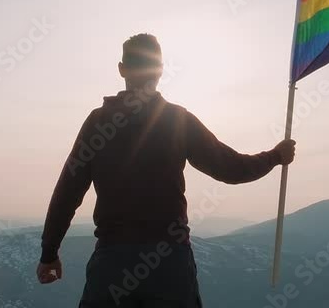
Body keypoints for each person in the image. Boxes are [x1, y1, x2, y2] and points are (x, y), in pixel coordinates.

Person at [36, 33, 296, 307]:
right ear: (160, 70)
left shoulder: (98, 123)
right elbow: (231, 168)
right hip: (168, 263)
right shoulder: (177, 120)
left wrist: (49, 253)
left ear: (122, 69)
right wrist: (275, 156)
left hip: (112, 263)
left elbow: (68, 191)